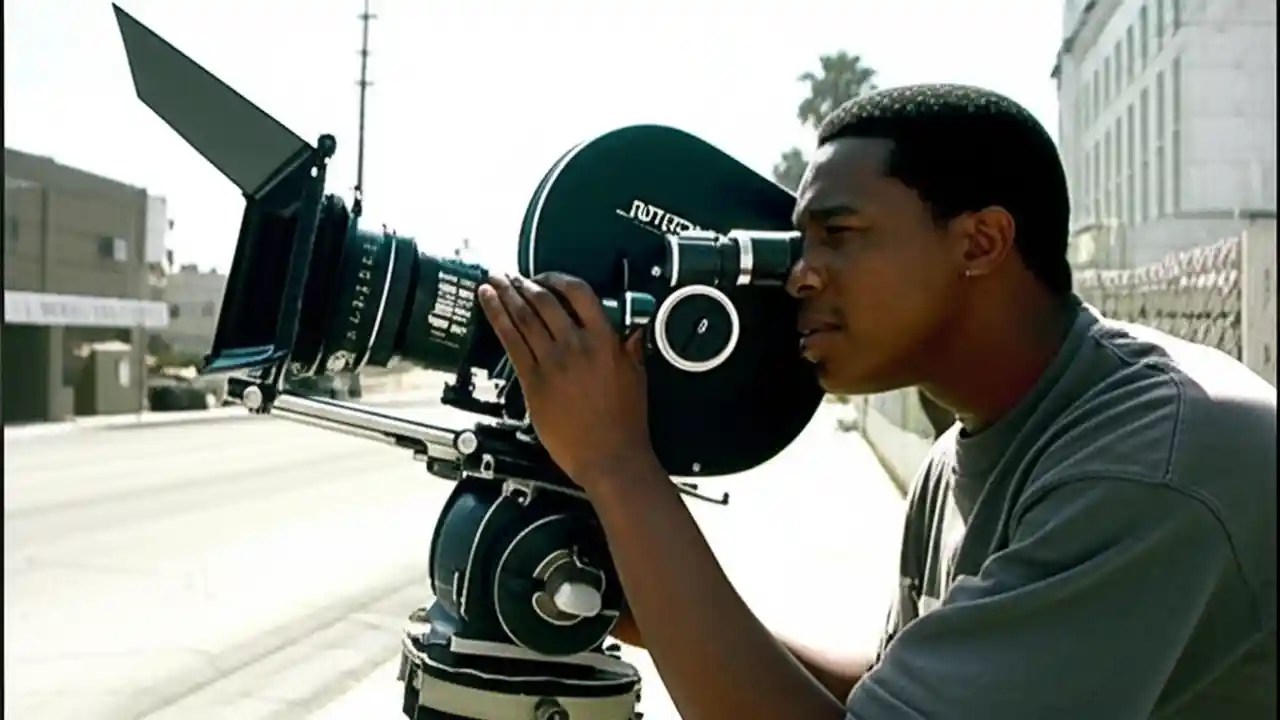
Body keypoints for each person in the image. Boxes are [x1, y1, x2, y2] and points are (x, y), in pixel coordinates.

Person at [475, 84, 1277, 719]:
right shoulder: (965, 451)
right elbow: (889, 696)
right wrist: (628, 602)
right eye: (801, 241)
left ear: (980, 243)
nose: (800, 274)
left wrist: (619, 466)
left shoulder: (1149, 466)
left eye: (841, 234)